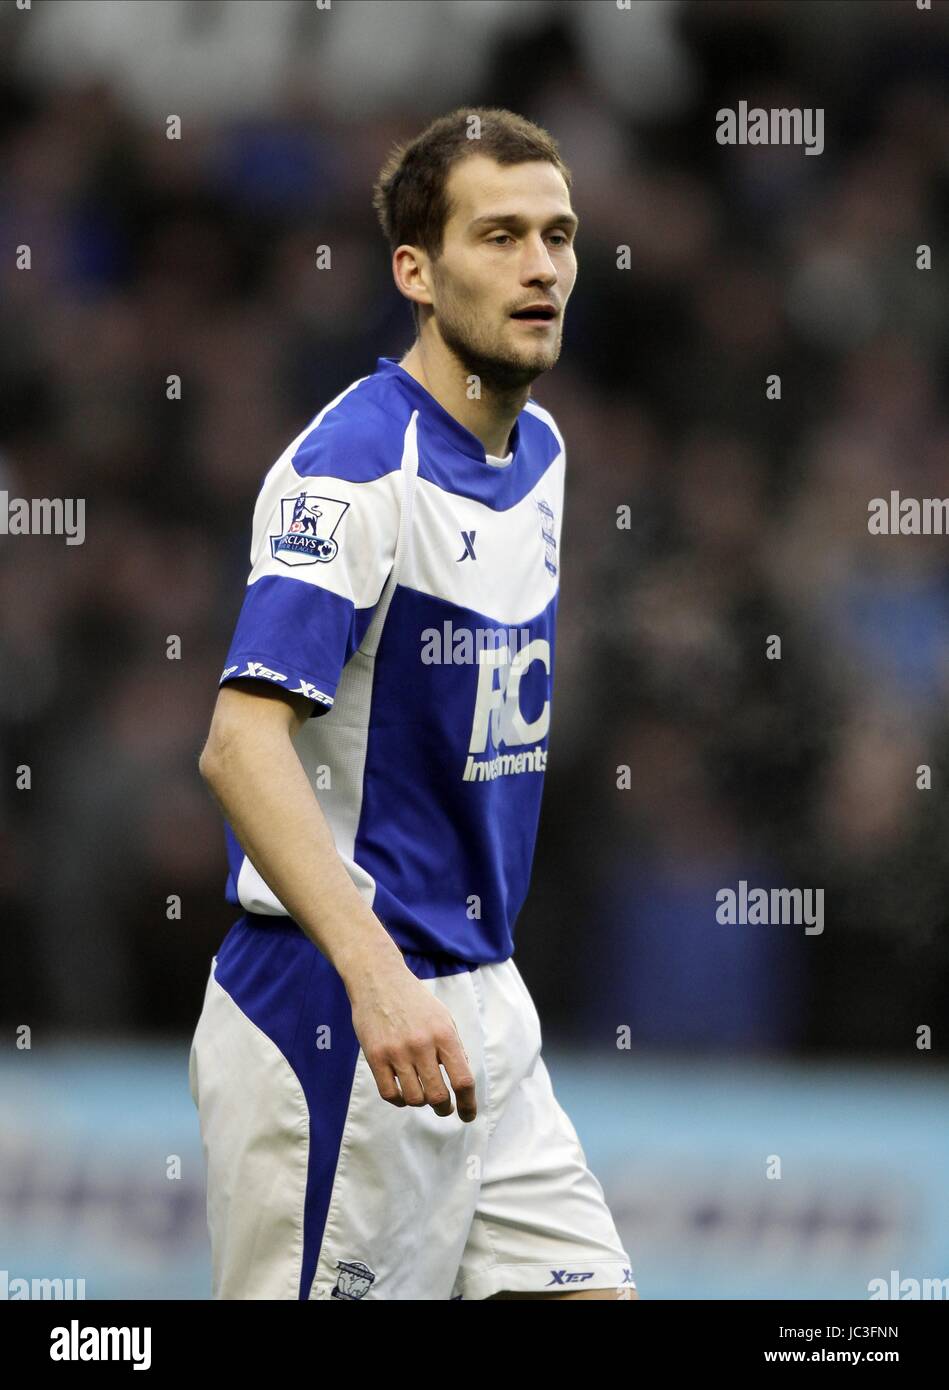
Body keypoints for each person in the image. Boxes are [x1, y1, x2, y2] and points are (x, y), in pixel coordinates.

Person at [189, 106, 637, 1302]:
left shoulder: (539, 451)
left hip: (483, 1001)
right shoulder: (349, 469)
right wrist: (376, 974)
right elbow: (240, 746)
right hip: (336, 1006)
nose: (541, 265)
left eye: (558, 234)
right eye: (498, 236)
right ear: (416, 272)